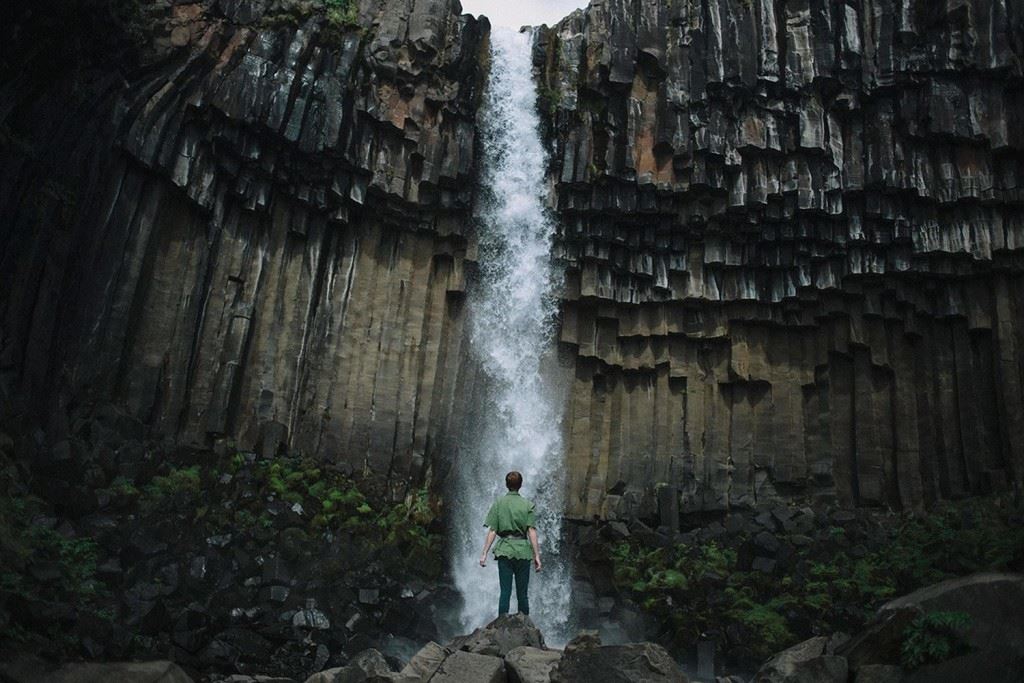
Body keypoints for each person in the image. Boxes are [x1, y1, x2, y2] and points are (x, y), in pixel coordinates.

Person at [478, 470, 542, 616]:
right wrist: (536, 555)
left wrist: (484, 553)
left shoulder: (499, 503)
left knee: (505, 592)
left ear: (506, 485)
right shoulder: (528, 505)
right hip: (523, 552)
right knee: (523, 594)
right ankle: (525, 627)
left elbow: (493, 531)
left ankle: (501, 626)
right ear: (521, 485)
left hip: (505, 550)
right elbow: (531, 531)